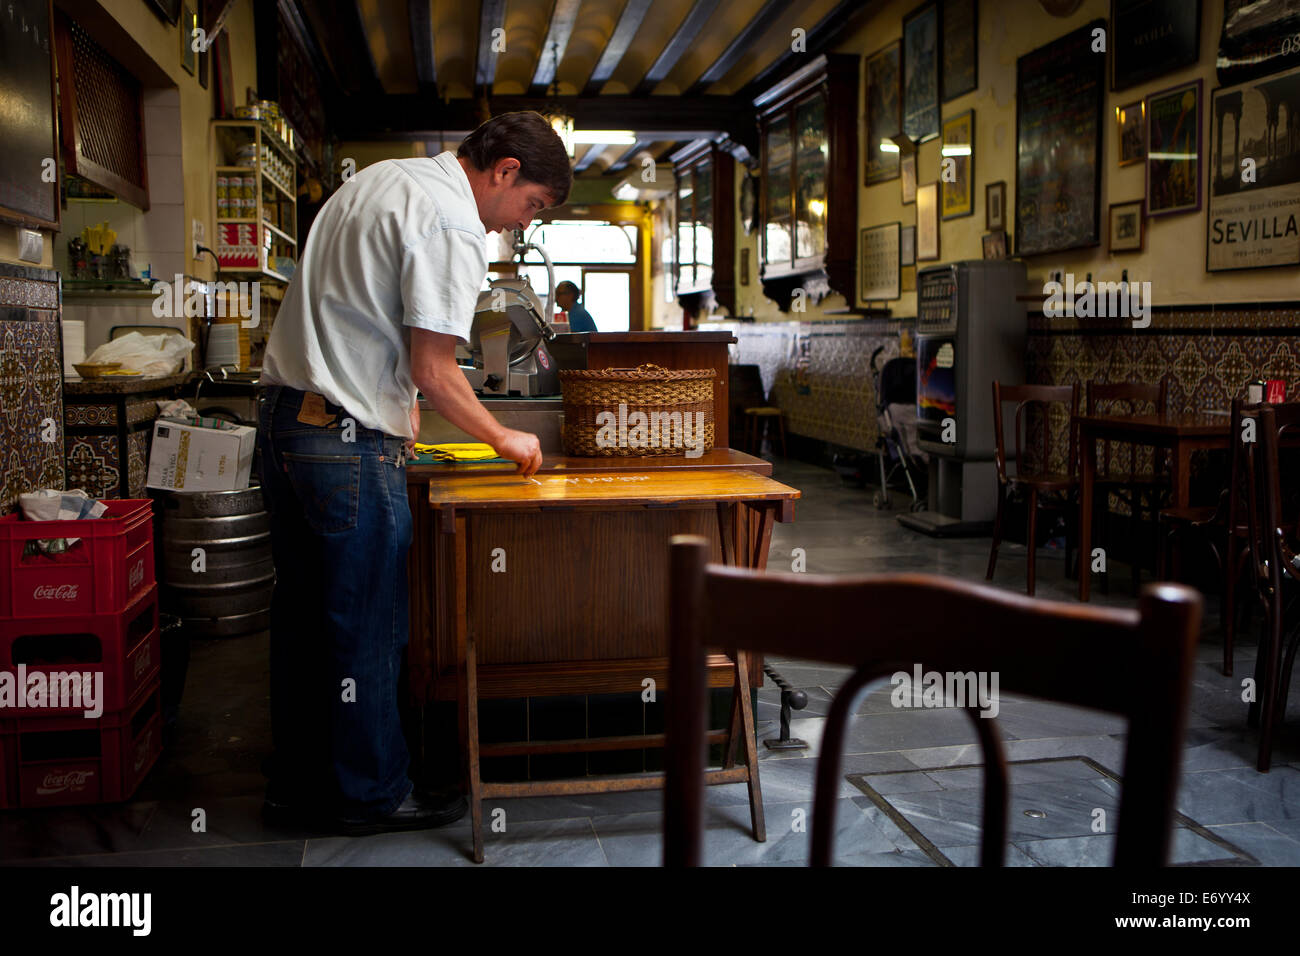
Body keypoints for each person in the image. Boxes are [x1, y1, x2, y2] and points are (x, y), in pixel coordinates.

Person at [256, 111, 571, 835]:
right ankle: (369, 794)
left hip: (283, 423)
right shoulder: (452, 222)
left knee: (305, 619)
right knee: (366, 624)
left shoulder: (378, 181)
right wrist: (502, 437)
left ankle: (300, 785)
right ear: (506, 172)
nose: (514, 227)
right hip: (344, 441)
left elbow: (379, 330)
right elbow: (433, 369)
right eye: (531, 208)